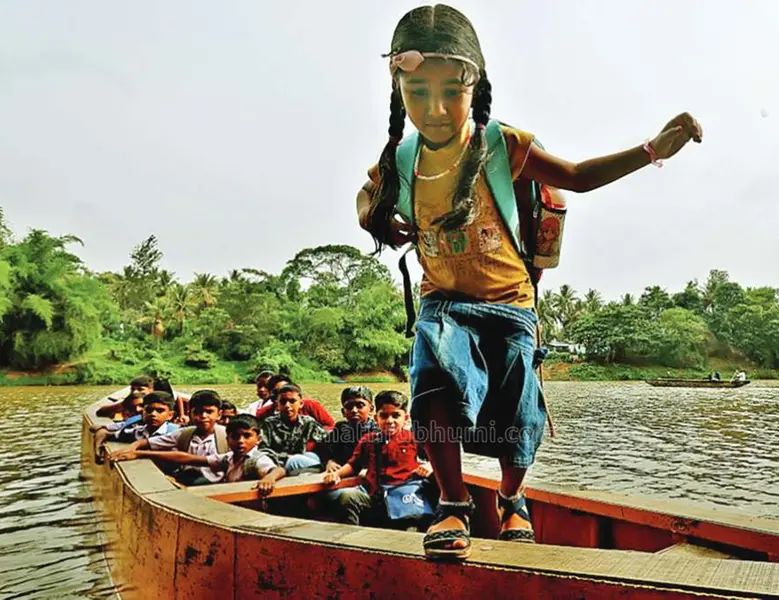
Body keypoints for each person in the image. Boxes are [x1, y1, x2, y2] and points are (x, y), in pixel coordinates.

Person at [356, 5, 702, 560]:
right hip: (443, 300)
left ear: (477, 86)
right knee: (434, 383)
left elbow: (577, 177)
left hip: (511, 303)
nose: (436, 108)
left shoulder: (501, 144)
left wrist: (650, 152)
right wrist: (372, 216)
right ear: (397, 89)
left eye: (452, 90)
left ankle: (513, 499)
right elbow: (367, 194)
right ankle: (452, 502)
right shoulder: (401, 156)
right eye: (417, 92)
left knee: (519, 415)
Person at [323, 391, 432, 528]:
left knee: (430, 495)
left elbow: (436, 458)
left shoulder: (414, 438)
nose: (390, 421)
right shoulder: (368, 440)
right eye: (384, 416)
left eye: (396, 416)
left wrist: (429, 466)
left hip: (404, 494)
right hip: (375, 494)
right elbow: (354, 464)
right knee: (348, 496)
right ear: (376, 418)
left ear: (406, 418)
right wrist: (336, 474)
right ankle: (349, 535)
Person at [111, 415, 285, 497]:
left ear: (258, 439)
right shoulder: (229, 458)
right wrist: (139, 453)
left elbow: (277, 469)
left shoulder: (257, 459)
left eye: (247, 436)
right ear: (228, 438)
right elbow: (186, 458)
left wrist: (269, 478)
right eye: (235, 437)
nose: (240, 441)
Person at [110, 389, 227, 485]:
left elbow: (185, 458)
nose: (203, 416)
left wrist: (139, 453)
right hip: (188, 480)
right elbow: (147, 442)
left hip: (217, 485)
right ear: (190, 413)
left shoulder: (227, 436)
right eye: (197, 412)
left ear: (219, 414)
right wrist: (132, 447)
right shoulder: (184, 433)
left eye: (209, 412)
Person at [260, 384, 329, 475]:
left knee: (311, 456)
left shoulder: (308, 422)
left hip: (298, 460)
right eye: (283, 402)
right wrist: (284, 457)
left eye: (292, 401)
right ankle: (324, 472)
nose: (287, 405)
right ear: (277, 405)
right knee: (295, 460)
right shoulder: (269, 424)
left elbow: (327, 439)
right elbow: (262, 450)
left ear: (301, 404)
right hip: (278, 466)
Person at [110, 391, 180, 444]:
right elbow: (108, 434)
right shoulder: (137, 432)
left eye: (160, 410)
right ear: (143, 412)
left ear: (170, 415)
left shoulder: (175, 434)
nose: (153, 414)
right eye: (149, 410)